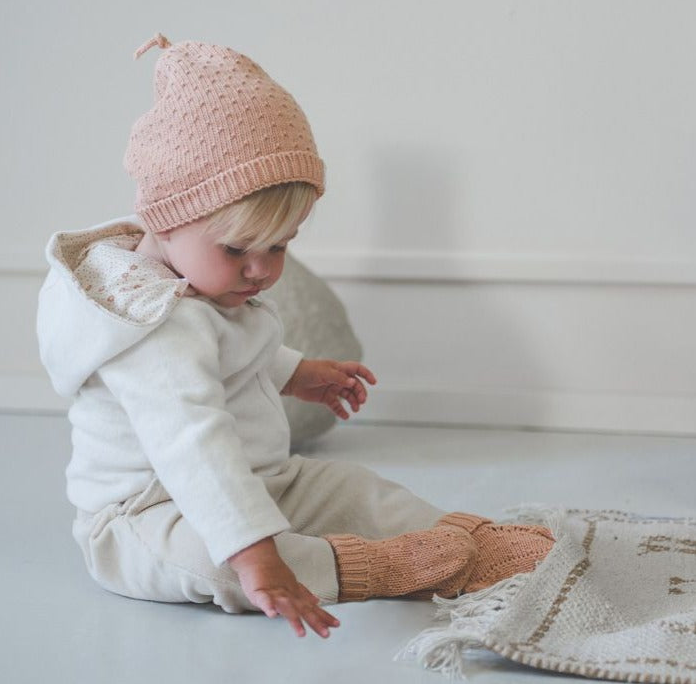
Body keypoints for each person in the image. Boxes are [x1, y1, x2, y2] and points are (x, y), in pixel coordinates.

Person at [37, 33, 553, 639]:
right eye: (238, 249)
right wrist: (256, 555)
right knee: (220, 563)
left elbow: (228, 349)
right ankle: (373, 568)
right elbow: (193, 446)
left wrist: (294, 371)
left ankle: (466, 540)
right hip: (149, 516)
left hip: (260, 480)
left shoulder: (202, 287)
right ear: (165, 220)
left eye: (280, 246)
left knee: (350, 488)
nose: (261, 270)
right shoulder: (150, 327)